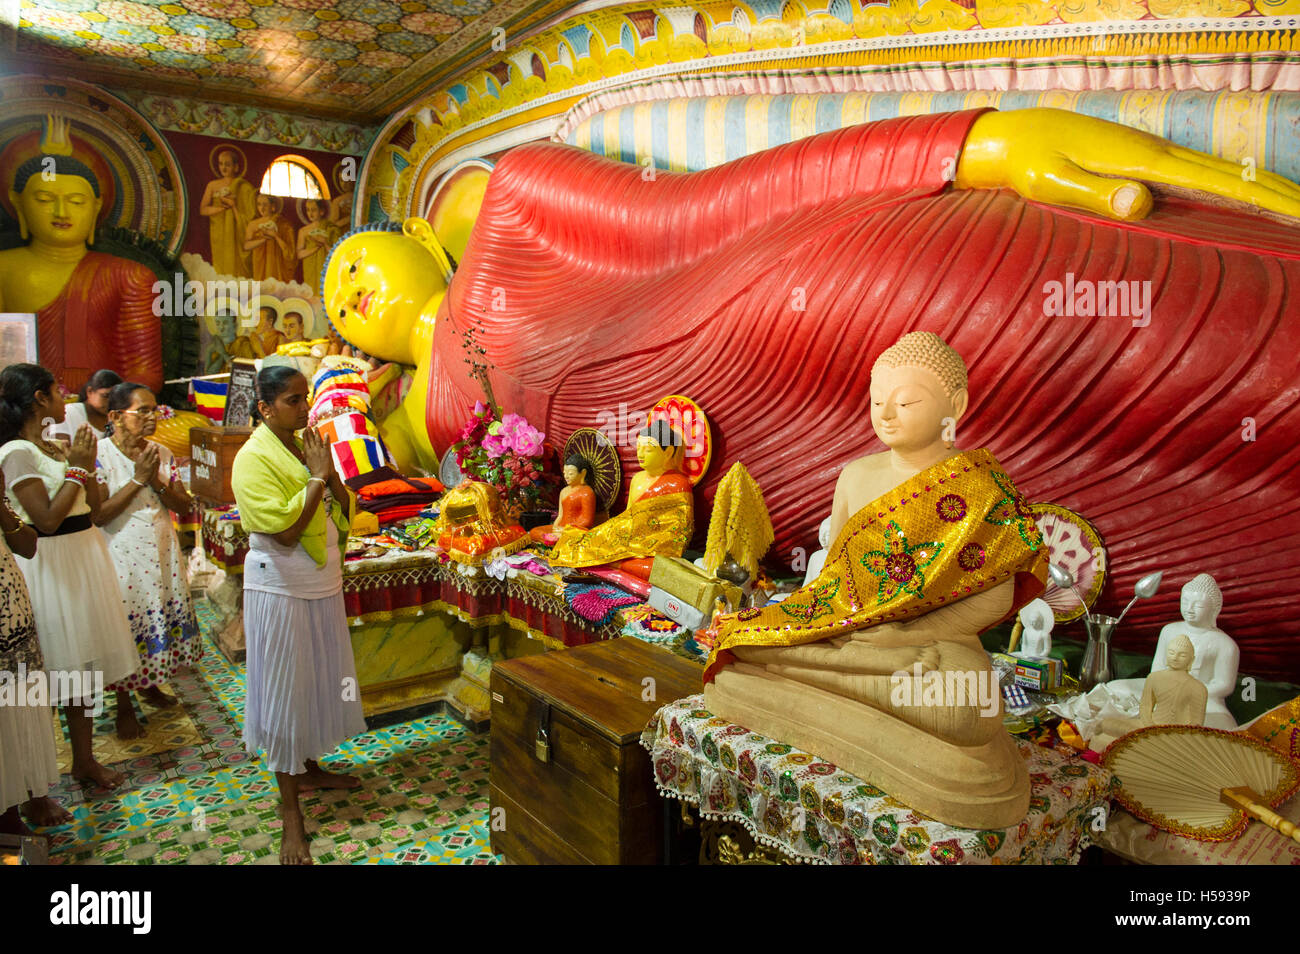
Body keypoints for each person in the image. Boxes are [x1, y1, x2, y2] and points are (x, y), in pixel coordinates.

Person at [231, 366, 365, 865]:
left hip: (320, 581)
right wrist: (315, 477)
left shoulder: (303, 444)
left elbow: (340, 504)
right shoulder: (251, 459)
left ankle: (308, 769)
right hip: (280, 585)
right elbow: (286, 532)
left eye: (305, 398)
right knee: (286, 691)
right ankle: (291, 817)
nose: (305, 409)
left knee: (315, 680)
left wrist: (327, 473)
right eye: (292, 400)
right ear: (264, 408)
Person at [0, 363, 138, 791]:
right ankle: (32, 780)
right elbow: (43, 520)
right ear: (39, 399)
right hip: (50, 564)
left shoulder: (54, 448)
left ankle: (84, 760)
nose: (67, 399)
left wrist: (85, 465)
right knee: (47, 676)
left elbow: (92, 510)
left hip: (83, 556)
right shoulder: (15, 453)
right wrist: (77, 469)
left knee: (80, 667)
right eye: (57, 391)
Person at [0, 116, 162, 393]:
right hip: (24, 409)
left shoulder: (131, 275)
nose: (61, 212)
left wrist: (104, 404)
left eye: (76, 201)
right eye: (44, 199)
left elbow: (145, 372)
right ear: (18, 202)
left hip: (106, 411)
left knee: (182, 427)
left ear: (97, 206)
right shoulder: (4, 268)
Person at [94, 383, 202, 739]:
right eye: (142, 411)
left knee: (157, 620)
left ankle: (150, 683)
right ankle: (124, 705)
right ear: (115, 417)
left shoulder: (161, 452)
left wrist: (153, 477)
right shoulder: (99, 455)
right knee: (125, 628)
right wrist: (137, 479)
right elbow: (98, 515)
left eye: (154, 410)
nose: (151, 417)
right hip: (120, 553)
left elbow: (184, 505)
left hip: (160, 549)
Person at [0, 473, 69, 835]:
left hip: (12, 619)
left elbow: (28, 545)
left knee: (17, 712)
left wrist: (0, 506)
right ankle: (6, 821)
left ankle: (23, 798)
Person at [199, 147, 256, 278]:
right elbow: (203, 209)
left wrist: (233, 207)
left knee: (239, 272)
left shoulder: (245, 187)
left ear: (236, 167)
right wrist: (222, 209)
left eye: (228, 164)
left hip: (238, 235)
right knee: (221, 269)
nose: (223, 168)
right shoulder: (212, 185)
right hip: (219, 232)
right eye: (221, 164)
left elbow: (250, 218)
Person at [55, 368, 121, 442]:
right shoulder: (68, 413)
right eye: (105, 396)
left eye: (116, 397)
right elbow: (58, 450)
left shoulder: (117, 419)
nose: (111, 401)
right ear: (90, 392)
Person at [244, 194, 296, 284]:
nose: (262, 208)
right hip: (259, 265)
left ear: (273, 206)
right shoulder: (252, 224)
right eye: (259, 204)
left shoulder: (284, 224)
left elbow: (290, 252)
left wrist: (275, 236)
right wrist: (264, 239)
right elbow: (246, 246)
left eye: (265, 204)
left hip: (277, 266)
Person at [296, 199, 336, 291]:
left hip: (325, 266)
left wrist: (325, 243)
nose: (310, 213)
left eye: (313, 210)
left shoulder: (330, 228)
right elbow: (299, 254)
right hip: (309, 268)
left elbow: (335, 253)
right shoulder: (303, 231)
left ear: (321, 211)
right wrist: (316, 248)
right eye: (308, 210)